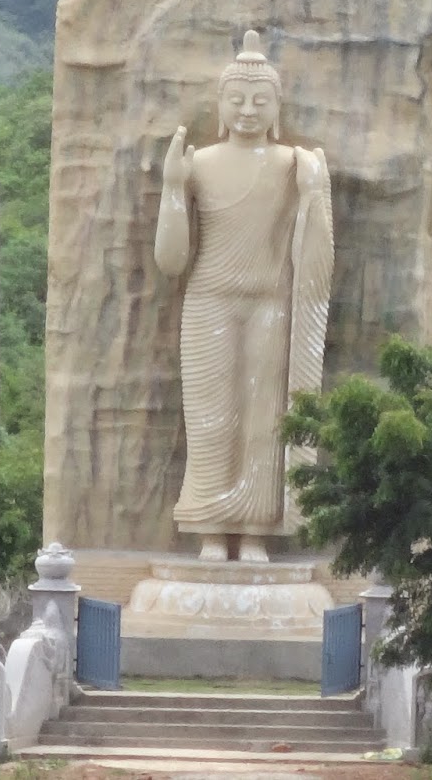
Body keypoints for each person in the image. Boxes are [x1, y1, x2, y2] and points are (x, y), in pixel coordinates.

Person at [154, 30, 333, 563]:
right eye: (237, 99)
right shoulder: (201, 164)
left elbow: (318, 251)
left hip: (272, 304)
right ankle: (211, 528)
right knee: (211, 420)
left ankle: (256, 530)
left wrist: (314, 192)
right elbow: (171, 260)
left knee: (265, 421)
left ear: (278, 107)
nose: (249, 110)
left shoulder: (292, 163)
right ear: (221, 106)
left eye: (260, 100)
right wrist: (172, 188)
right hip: (209, 301)